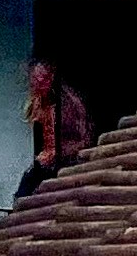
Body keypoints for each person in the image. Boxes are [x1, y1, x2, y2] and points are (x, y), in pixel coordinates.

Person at [19, 51, 97, 199]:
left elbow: (84, 141)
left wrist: (58, 152)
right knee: (24, 193)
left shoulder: (68, 105)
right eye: (35, 80)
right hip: (45, 165)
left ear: (51, 77)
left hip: (68, 163)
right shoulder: (37, 104)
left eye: (43, 79)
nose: (38, 84)